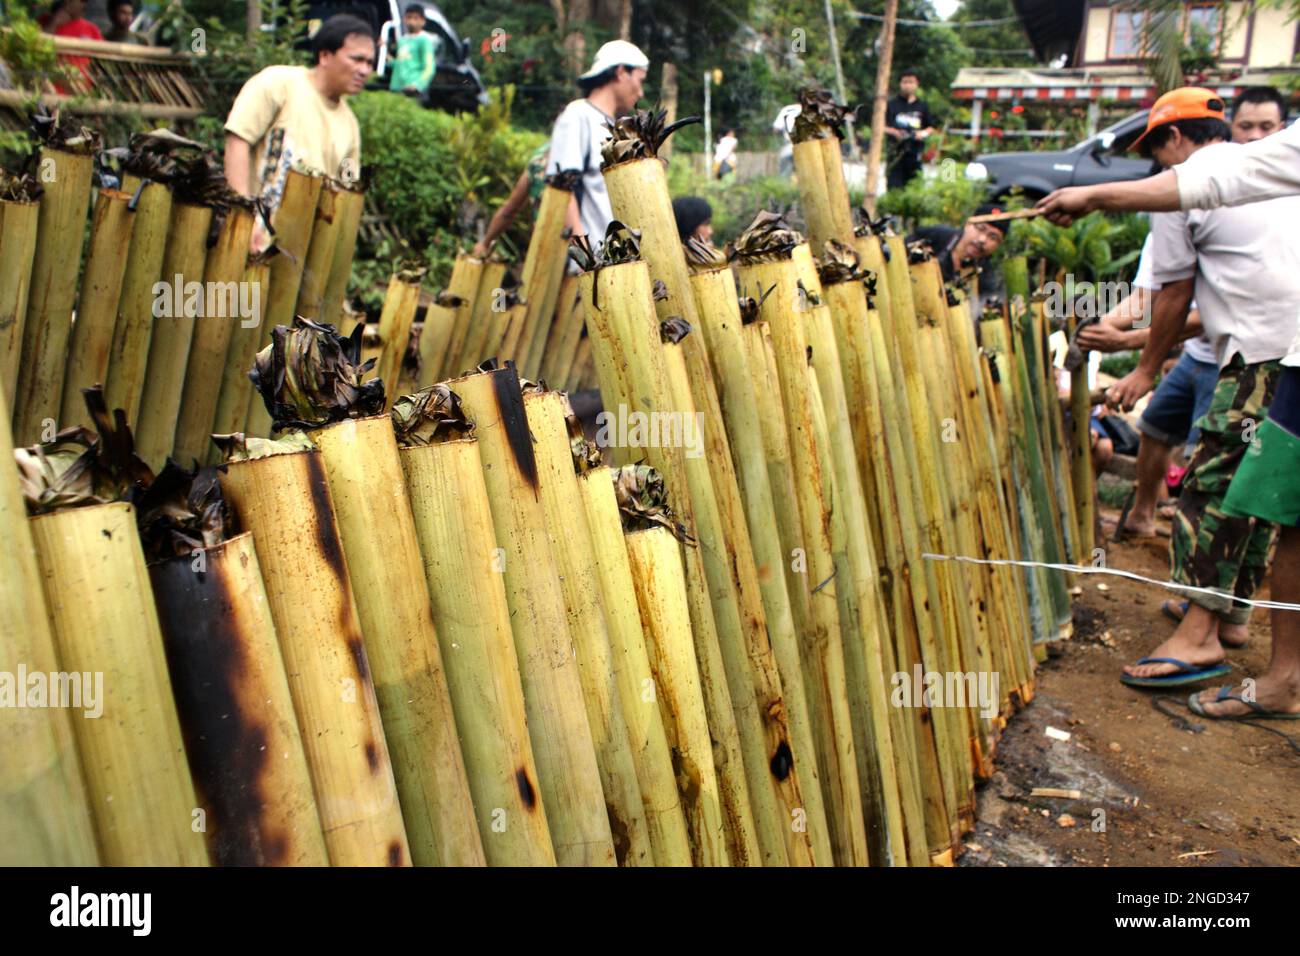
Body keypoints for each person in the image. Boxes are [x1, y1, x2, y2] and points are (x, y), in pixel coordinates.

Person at [1038, 89, 1300, 718]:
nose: (1157, 161)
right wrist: (1133, 342)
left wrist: (1144, 365)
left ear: (1174, 139)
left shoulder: (1195, 182)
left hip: (1258, 358)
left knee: (1214, 488)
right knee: (1266, 496)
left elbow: (1175, 293)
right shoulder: (1264, 172)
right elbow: (1179, 297)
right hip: (1275, 349)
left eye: (1157, 147)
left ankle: (1200, 637)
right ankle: (1229, 619)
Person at [224, 14, 374, 248]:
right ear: (325, 55)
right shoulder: (278, 83)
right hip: (252, 239)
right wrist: (243, 217)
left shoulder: (350, 125)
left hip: (300, 254)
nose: (365, 70)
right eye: (357, 59)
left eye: (369, 63)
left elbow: (346, 193)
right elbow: (238, 140)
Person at [546, 39, 648, 242]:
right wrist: (585, 257)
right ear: (620, 72)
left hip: (617, 262)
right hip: (591, 264)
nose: (641, 92)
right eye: (640, 80)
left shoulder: (615, 126)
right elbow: (561, 188)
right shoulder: (578, 115)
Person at [471, 144, 549, 259]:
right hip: (576, 255)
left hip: (541, 251)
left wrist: (485, 244)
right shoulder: (580, 157)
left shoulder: (540, 157)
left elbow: (510, 209)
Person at [908, 202, 1007, 287]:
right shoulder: (934, 236)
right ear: (968, 224)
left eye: (993, 237)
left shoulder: (985, 275)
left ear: (999, 244)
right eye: (980, 228)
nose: (982, 239)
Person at [884, 68, 936, 190]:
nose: (908, 85)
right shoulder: (891, 105)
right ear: (900, 84)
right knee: (894, 187)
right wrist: (895, 132)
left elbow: (931, 127)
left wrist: (922, 133)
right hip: (895, 153)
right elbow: (880, 126)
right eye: (905, 82)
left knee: (914, 186)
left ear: (917, 84)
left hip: (915, 153)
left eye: (911, 82)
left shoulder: (922, 106)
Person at [38, 0, 103, 91]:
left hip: (79, 93)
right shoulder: (44, 21)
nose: (67, 2)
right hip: (47, 89)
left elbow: (100, 64)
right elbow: (37, 47)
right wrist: (54, 23)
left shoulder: (91, 29)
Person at [388, 4, 438, 97]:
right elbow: (401, 62)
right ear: (404, 19)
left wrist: (417, 85)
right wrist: (387, 58)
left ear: (423, 21)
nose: (411, 21)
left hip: (412, 91)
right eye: (409, 17)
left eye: (415, 18)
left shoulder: (424, 40)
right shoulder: (402, 40)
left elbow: (429, 68)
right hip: (397, 88)